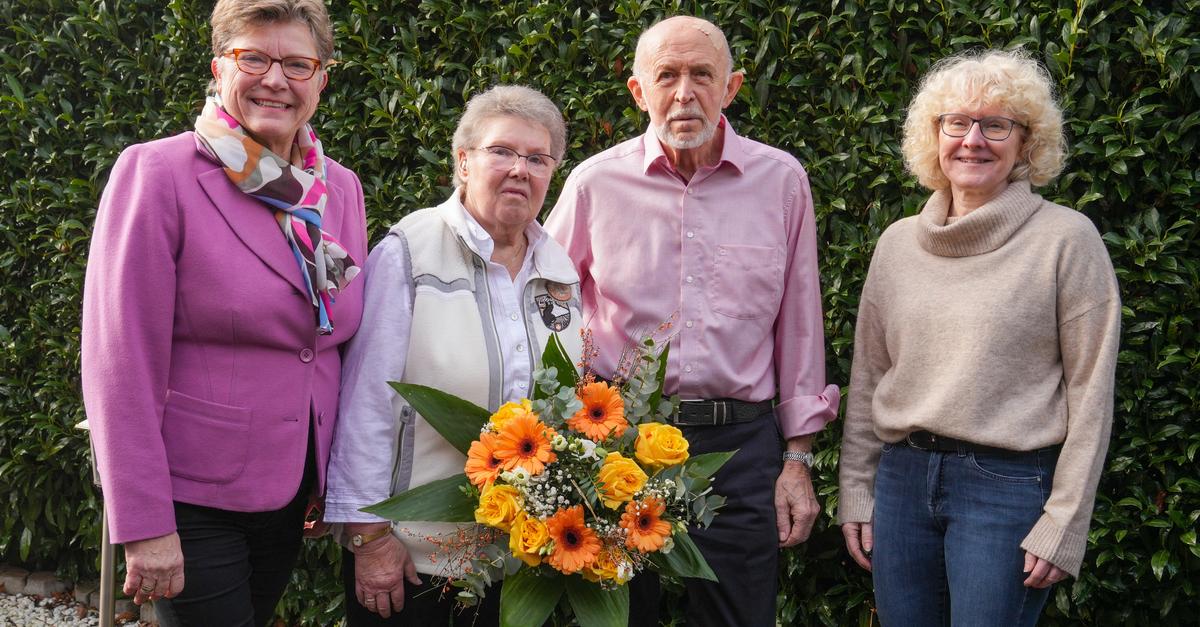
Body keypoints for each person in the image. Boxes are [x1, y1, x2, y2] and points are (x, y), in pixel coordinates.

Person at [544, 16, 839, 627]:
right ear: (638, 92)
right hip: (620, 443)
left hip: (740, 448)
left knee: (740, 616)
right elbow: (544, 312)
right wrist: (560, 433)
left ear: (730, 87)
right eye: (667, 76)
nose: (684, 93)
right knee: (621, 619)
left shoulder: (780, 182)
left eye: (701, 75)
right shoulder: (595, 183)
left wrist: (799, 459)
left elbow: (801, 325)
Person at [79, 0, 366, 624]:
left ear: (322, 78)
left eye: (297, 63)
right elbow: (119, 360)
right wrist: (142, 521)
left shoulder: (337, 187)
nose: (275, 79)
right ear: (218, 67)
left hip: (289, 489)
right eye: (253, 58)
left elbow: (331, 341)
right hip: (191, 497)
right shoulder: (159, 172)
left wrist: (334, 476)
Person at [837, 49, 1121, 626]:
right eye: (957, 123)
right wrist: (857, 489)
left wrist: (1065, 521)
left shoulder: (1067, 240)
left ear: (1026, 143)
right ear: (934, 136)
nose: (973, 140)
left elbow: (1092, 392)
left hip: (1007, 488)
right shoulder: (897, 245)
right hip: (902, 481)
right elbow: (869, 376)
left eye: (996, 125)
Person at [324, 85, 583, 626]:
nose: (520, 170)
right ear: (463, 162)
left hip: (523, 562)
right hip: (417, 560)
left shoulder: (558, 267)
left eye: (537, 158)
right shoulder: (410, 251)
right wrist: (369, 540)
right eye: (502, 152)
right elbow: (366, 402)